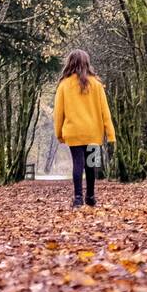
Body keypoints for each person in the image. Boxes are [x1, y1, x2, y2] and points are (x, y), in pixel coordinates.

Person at [53, 50, 116, 208]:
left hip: (74, 132)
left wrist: (59, 133)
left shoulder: (64, 85)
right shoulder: (96, 84)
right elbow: (105, 110)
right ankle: (91, 196)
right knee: (91, 165)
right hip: (94, 133)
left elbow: (58, 113)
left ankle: (78, 198)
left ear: (70, 63)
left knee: (78, 164)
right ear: (87, 63)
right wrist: (110, 134)